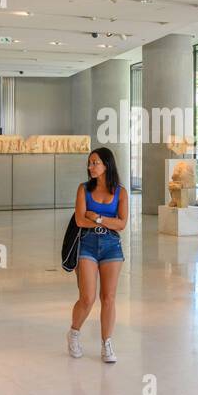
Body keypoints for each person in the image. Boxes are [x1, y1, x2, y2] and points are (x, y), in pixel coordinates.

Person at [67, 147, 128, 363]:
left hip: (112, 246)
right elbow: (80, 220)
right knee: (87, 297)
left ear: (106, 165)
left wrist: (99, 218)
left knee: (109, 298)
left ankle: (107, 343)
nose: (90, 167)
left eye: (95, 163)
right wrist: (99, 220)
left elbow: (122, 223)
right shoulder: (83, 189)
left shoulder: (121, 192)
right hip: (87, 244)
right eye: (90, 163)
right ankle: (74, 332)